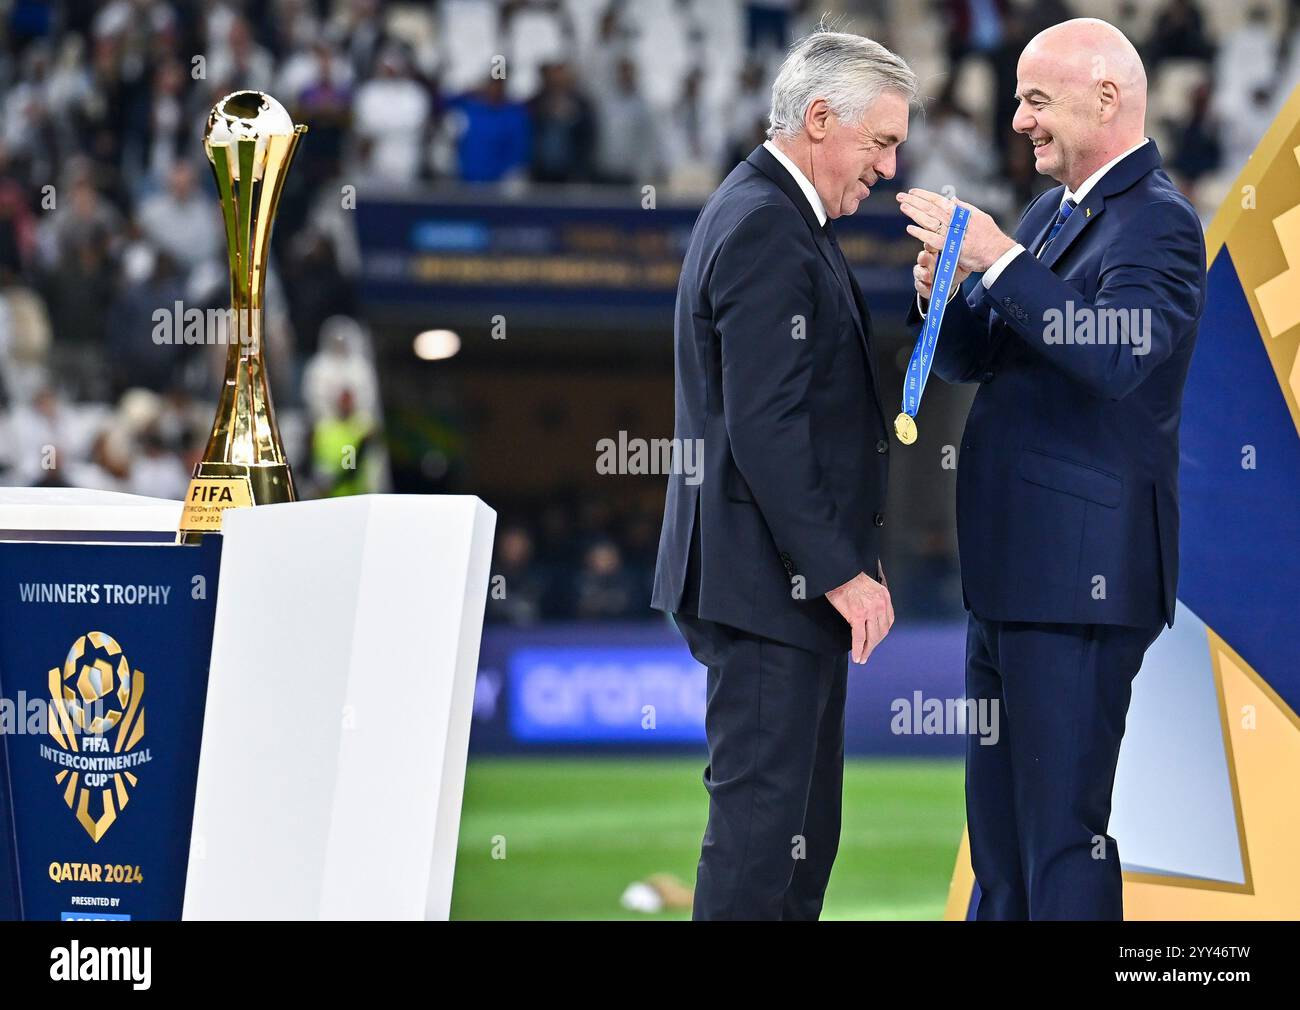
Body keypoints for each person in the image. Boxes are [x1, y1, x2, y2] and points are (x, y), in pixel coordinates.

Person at [898, 17, 1206, 920]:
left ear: (1106, 97)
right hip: (1010, 578)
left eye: (1036, 99)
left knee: (1061, 839)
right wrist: (948, 290)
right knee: (1000, 852)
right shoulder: (1049, 216)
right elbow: (973, 359)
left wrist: (1000, 260)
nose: (1021, 119)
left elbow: (1113, 352)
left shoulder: (1161, 224)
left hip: (1081, 583)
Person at [651, 29, 913, 921]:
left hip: (776, 586)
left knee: (798, 843)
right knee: (765, 846)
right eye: (880, 142)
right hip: (769, 587)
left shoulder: (774, 213)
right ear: (819, 119)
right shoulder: (767, 222)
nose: (888, 166)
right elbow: (767, 427)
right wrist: (839, 569)